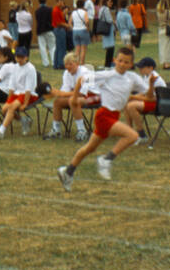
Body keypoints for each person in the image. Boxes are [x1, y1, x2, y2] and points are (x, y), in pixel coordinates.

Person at [55, 46, 157, 190]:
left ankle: (67, 171)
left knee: (89, 148)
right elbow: (81, 80)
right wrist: (75, 97)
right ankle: (106, 159)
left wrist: (151, 85)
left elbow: (150, 98)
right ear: (114, 60)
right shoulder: (106, 75)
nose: (122, 64)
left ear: (131, 64)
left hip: (114, 116)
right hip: (104, 115)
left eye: (126, 62)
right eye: (120, 60)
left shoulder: (133, 78)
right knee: (133, 136)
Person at [0, 46, 39, 140]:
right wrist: (9, 100)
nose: (19, 59)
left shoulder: (30, 68)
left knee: (11, 108)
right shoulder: (15, 67)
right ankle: (24, 120)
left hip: (29, 94)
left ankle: (1, 131)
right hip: (17, 93)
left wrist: (26, 103)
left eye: (22, 57)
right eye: (17, 57)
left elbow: (28, 88)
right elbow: (12, 86)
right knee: (4, 109)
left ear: (26, 57)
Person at [45, 55, 95, 140]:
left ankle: (82, 131)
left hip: (93, 97)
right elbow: (65, 91)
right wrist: (56, 94)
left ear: (77, 63)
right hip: (77, 96)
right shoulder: (66, 73)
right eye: (66, 64)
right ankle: (56, 130)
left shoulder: (85, 72)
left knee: (73, 100)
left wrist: (61, 93)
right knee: (57, 101)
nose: (68, 67)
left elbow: (82, 94)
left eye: (70, 64)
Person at [156, 0, 170, 70]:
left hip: (160, 30)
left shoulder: (158, 12)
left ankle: (164, 63)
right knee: (168, 48)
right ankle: (167, 64)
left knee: (162, 47)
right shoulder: (169, 12)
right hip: (168, 30)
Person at [34, 0, 55, 67]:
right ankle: (53, 61)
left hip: (40, 30)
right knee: (52, 46)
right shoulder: (50, 9)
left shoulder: (37, 11)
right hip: (49, 29)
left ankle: (45, 63)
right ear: (46, 1)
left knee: (42, 47)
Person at [97, 0, 116, 68]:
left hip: (104, 29)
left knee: (108, 47)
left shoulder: (101, 8)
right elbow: (109, 20)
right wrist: (114, 22)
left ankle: (107, 63)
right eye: (110, 1)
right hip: (108, 29)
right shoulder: (107, 9)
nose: (111, 3)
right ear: (106, 2)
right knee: (111, 47)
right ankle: (108, 64)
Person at [51, 0, 70, 70]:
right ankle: (61, 64)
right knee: (62, 47)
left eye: (62, 2)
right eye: (61, 2)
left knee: (59, 47)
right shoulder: (56, 10)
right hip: (59, 29)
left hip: (60, 29)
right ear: (57, 2)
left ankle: (56, 64)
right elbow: (58, 23)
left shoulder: (59, 10)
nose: (62, 3)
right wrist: (67, 25)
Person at [70, 0, 90, 64]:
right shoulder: (84, 12)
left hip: (75, 30)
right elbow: (87, 21)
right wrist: (87, 27)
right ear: (83, 5)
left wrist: (72, 28)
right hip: (83, 30)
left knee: (77, 49)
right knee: (83, 49)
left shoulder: (73, 12)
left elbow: (69, 22)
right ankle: (82, 63)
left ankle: (76, 63)